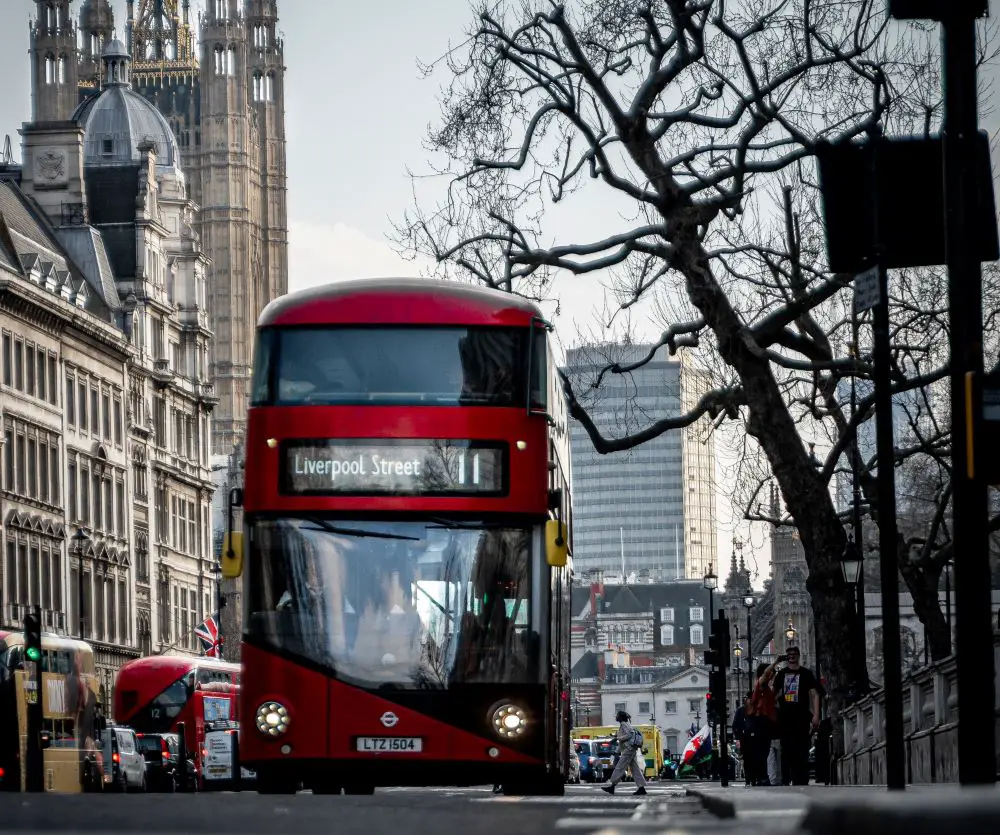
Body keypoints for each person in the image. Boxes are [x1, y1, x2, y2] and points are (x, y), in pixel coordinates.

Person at [772, 645, 820, 785]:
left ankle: (801, 780)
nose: (791, 656)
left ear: (798, 656)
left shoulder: (806, 673)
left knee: (802, 749)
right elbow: (772, 695)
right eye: (789, 654)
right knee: (786, 750)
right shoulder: (781, 675)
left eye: (794, 654)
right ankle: (786, 780)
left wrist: (816, 714)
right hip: (785, 718)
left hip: (802, 717)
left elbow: (814, 694)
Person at [601, 711, 647, 796]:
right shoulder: (625, 724)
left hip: (629, 750)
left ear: (621, 717)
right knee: (635, 769)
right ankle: (641, 788)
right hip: (631, 749)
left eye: (617, 715)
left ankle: (612, 786)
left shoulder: (624, 724)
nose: (616, 717)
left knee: (620, 767)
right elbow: (623, 741)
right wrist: (617, 750)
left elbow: (630, 734)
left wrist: (617, 738)